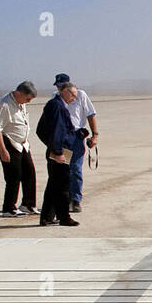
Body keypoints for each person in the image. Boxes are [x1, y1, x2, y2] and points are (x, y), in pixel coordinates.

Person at [36, 85, 81, 227]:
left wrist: (77, 134)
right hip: (60, 152)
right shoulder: (56, 106)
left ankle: (47, 217)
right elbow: (55, 131)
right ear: (65, 92)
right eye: (73, 95)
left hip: (62, 150)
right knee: (62, 185)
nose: (74, 98)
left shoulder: (58, 105)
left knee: (54, 185)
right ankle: (64, 217)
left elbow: (48, 130)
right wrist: (57, 151)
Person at [53, 72, 98, 213]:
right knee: (63, 169)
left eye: (61, 86)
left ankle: (76, 199)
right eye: (58, 86)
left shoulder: (81, 95)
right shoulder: (55, 98)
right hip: (63, 139)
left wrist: (95, 135)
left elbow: (91, 114)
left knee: (76, 169)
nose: (59, 89)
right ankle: (64, 199)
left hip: (76, 138)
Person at [0, 82, 38, 216]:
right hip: (9, 142)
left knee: (29, 172)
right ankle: (8, 207)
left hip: (23, 144)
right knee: (13, 176)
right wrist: (2, 150)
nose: (28, 102)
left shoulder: (21, 103)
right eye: (28, 98)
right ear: (19, 93)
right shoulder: (4, 104)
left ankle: (28, 204)